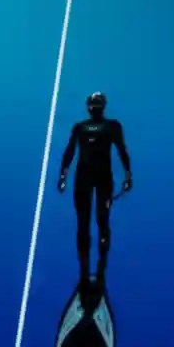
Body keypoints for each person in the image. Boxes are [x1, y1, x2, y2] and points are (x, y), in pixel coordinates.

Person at [56, 92, 132, 291]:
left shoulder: (112, 126)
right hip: (86, 179)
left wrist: (127, 174)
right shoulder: (80, 128)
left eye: (96, 104)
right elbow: (70, 151)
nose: (94, 107)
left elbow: (121, 149)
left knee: (101, 219)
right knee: (85, 222)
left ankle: (100, 270)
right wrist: (63, 174)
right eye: (92, 103)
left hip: (101, 179)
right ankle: (85, 271)